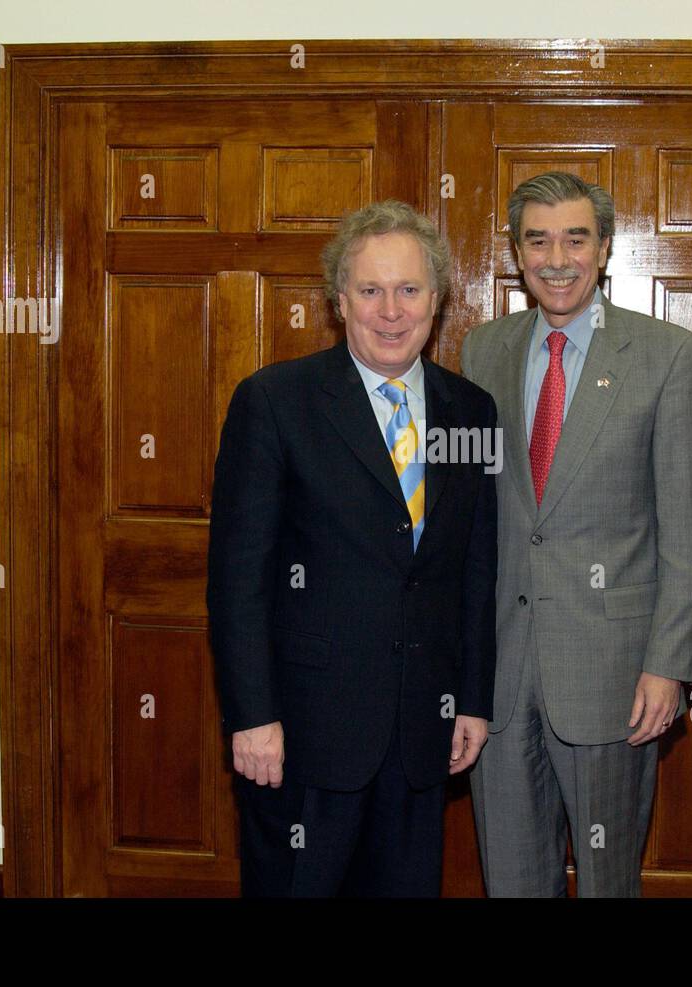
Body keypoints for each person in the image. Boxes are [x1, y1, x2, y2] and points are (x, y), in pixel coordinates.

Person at [207, 200, 498, 897]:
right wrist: (252, 715)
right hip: (303, 741)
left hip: (421, 737)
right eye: (370, 290)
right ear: (340, 301)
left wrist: (474, 700)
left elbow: (476, 570)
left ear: (439, 298)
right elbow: (237, 580)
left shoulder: (472, 411)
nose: (390, 310)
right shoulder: (276, 402)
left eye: (409, 289)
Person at [460, 171, 692, 897]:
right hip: (502, 679)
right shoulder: (484, 351)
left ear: (604, 249)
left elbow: (689, 534)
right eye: (537, 240)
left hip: (615, 676)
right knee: (510, 878)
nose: (556, 257)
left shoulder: (667, 355)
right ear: (515, 253)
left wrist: (669, 665)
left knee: (608, 880)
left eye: (576, 237)